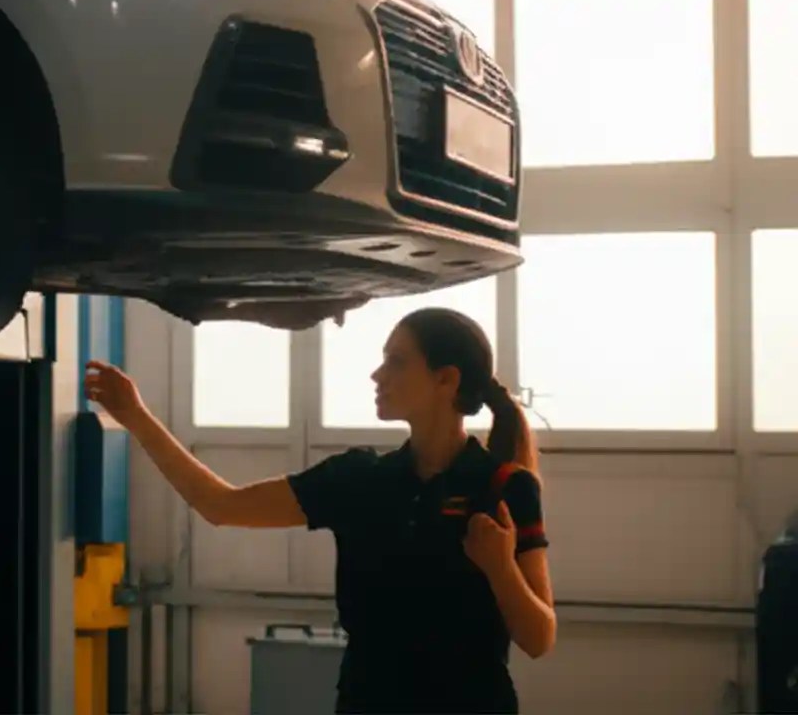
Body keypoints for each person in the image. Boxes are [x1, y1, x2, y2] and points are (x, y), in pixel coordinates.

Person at [83, 306, 555, 714]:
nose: (377, 375)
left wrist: (499, 568)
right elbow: (219, 505)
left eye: (396, 361)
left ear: (445, 379)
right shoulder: (358, 479)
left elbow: (538, 638)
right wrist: (136, 417)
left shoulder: (505, 487)